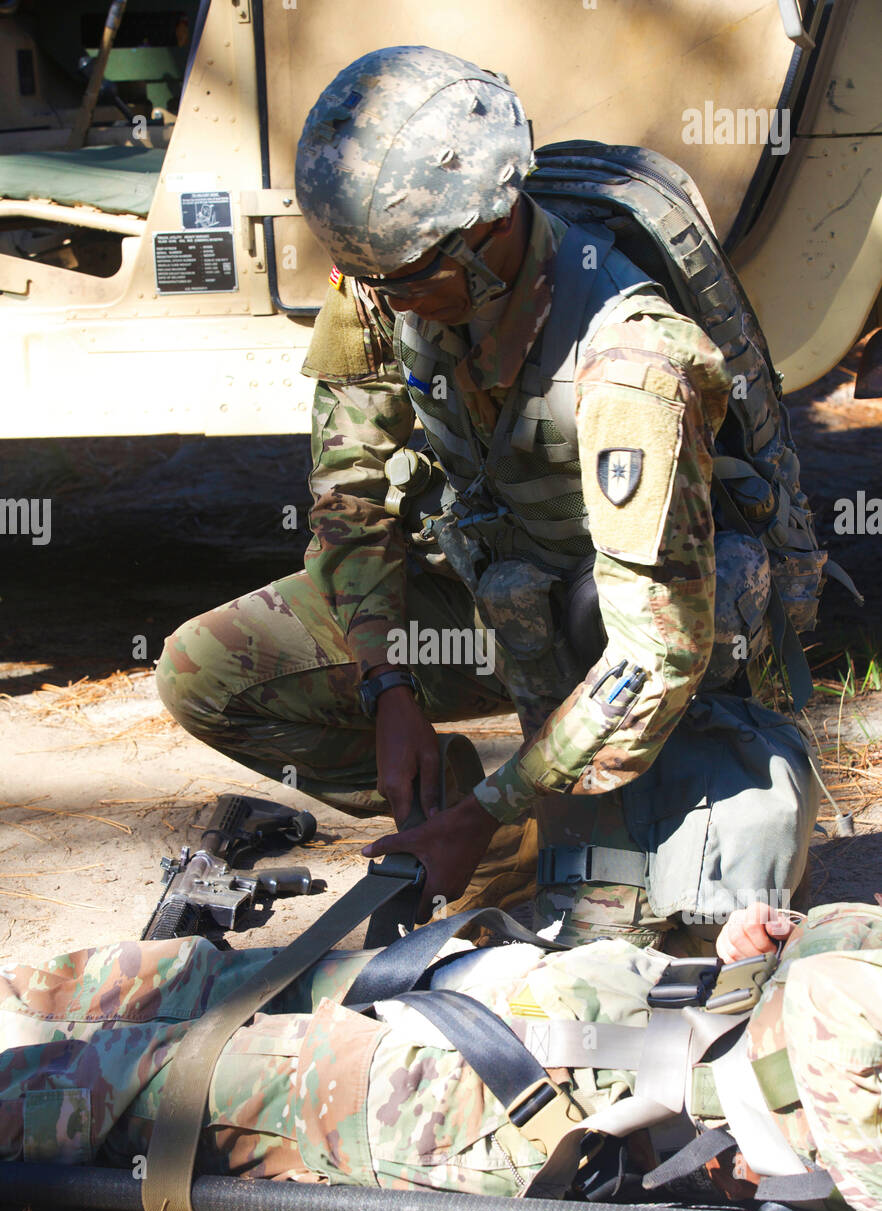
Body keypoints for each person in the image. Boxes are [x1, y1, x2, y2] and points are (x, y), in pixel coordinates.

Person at [155, 46, 820, 950]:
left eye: (406, 278)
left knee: (643, 948)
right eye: (366, 278)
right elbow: (352, 504)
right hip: (500, 598)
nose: (384, 304)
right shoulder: (394, 279)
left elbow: (655, 653)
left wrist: (478, 811)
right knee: (210, 670)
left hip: (636, 640)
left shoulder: (631, 360)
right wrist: (389, 691)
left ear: (494, 222)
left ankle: (518, 823)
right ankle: (508, 831)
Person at [0, 900, 879, 1211]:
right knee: (200, 978)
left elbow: (835, 1012)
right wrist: (777, 942)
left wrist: (803, 985)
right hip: (588, 994)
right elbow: (830, 965)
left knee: (153, 1085)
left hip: (532, 1101)